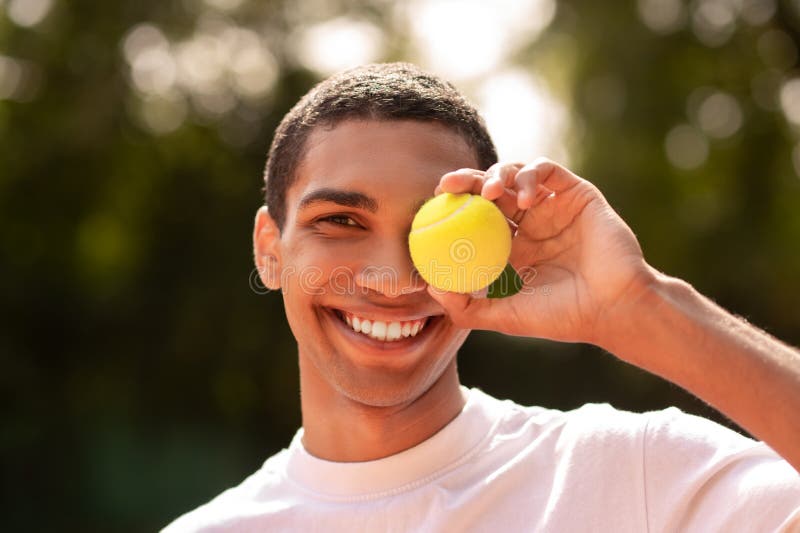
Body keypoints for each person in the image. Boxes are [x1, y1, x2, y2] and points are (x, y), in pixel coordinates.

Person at [164, 62, 800, 532]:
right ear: (269, 248)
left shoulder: (634, 474)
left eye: (427, 230)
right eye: (342, 221)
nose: (392, 277)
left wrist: (641, 305)